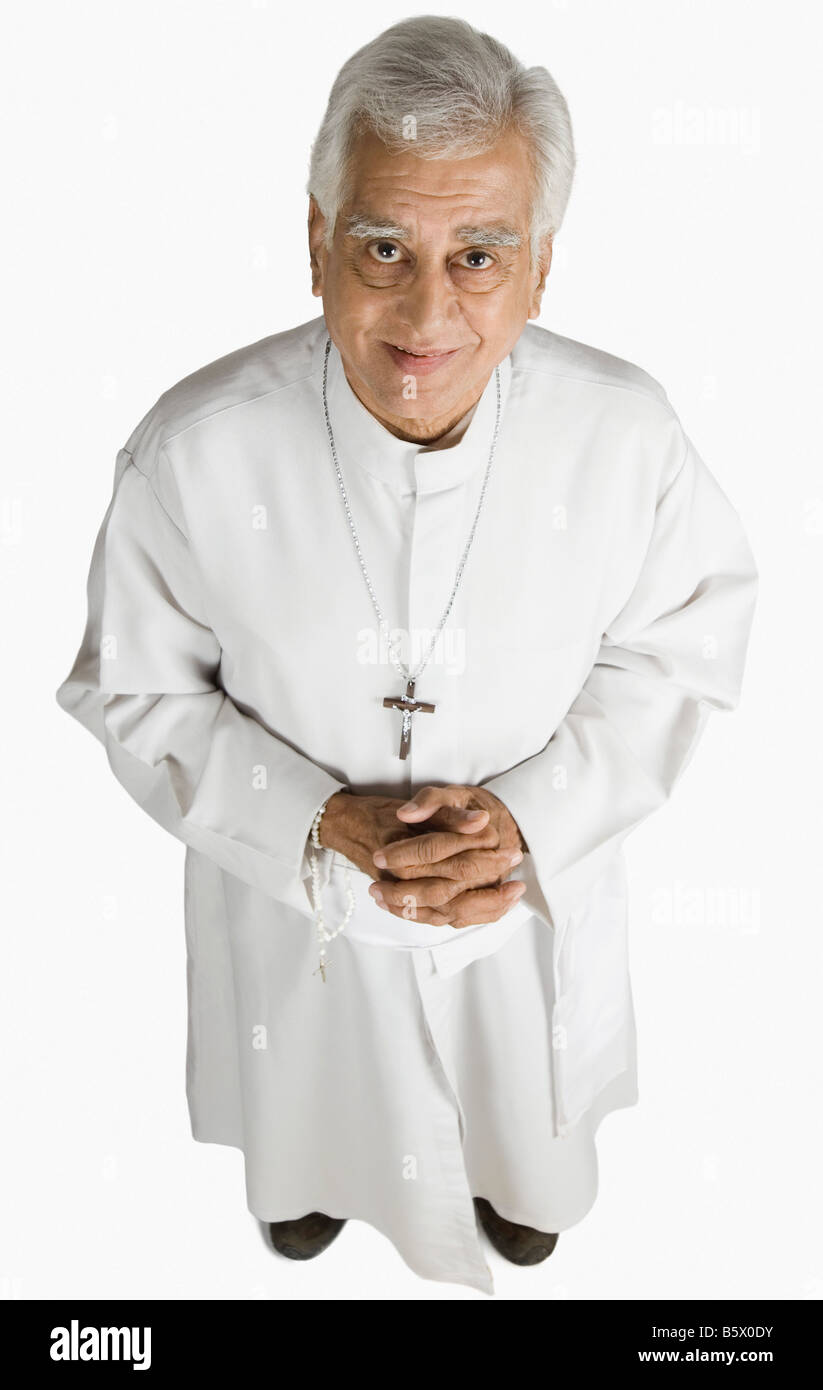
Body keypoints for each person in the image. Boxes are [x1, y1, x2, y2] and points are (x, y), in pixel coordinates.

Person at [56, 15, 759, 1295]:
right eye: (383, 245)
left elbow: (679, 649)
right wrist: (316, 821)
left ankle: (519, 1180)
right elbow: (133, 688)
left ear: (541, 268)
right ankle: (310, 1179)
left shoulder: (627, 434)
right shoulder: (195, 448)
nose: (426, 312)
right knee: (309, 1114)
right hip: (299, 921)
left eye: (478, 254)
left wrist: (530, 820)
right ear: (316, 241)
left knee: (523, 1135)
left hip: (520, 923)